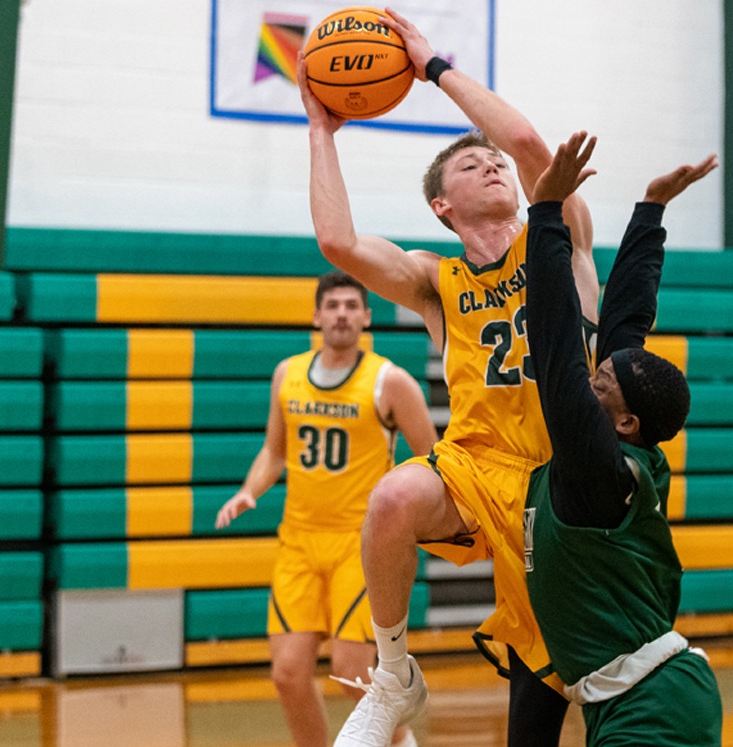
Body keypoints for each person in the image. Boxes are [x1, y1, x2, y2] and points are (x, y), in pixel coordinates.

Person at [297, 8, 599, 746]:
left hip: (571, 470)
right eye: (471, 164)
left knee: (565, 680)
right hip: (478, 467)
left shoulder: (557, 237)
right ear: (442, 204)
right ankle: (395, 673)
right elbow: (337, 240)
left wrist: (432, 65)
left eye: (492, 161)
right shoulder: (438, 280)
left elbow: (527, 144)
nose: (493, 164)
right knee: (396, 494)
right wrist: (321, 129)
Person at [521, 131, 723, 745]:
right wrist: (651, 212)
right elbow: (628, 320)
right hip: (637, 695)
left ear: (625, 420)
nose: (591, 372)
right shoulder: (624, 448)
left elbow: (554, 341)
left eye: (601, 379)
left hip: (650, 703)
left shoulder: (596, 470)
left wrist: (546, 214)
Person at [214, 270, 438, 747]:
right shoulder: (287, 373)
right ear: (316, 315)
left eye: (351, 306)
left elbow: (432, 459)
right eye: (332, 305)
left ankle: (400, 743)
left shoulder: (389, 381)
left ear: (366, 317)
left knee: (350, 673)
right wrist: (249, 489)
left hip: (359, 545)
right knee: (288, 673)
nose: (341, 314)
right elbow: (274, 452)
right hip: (298, 540)